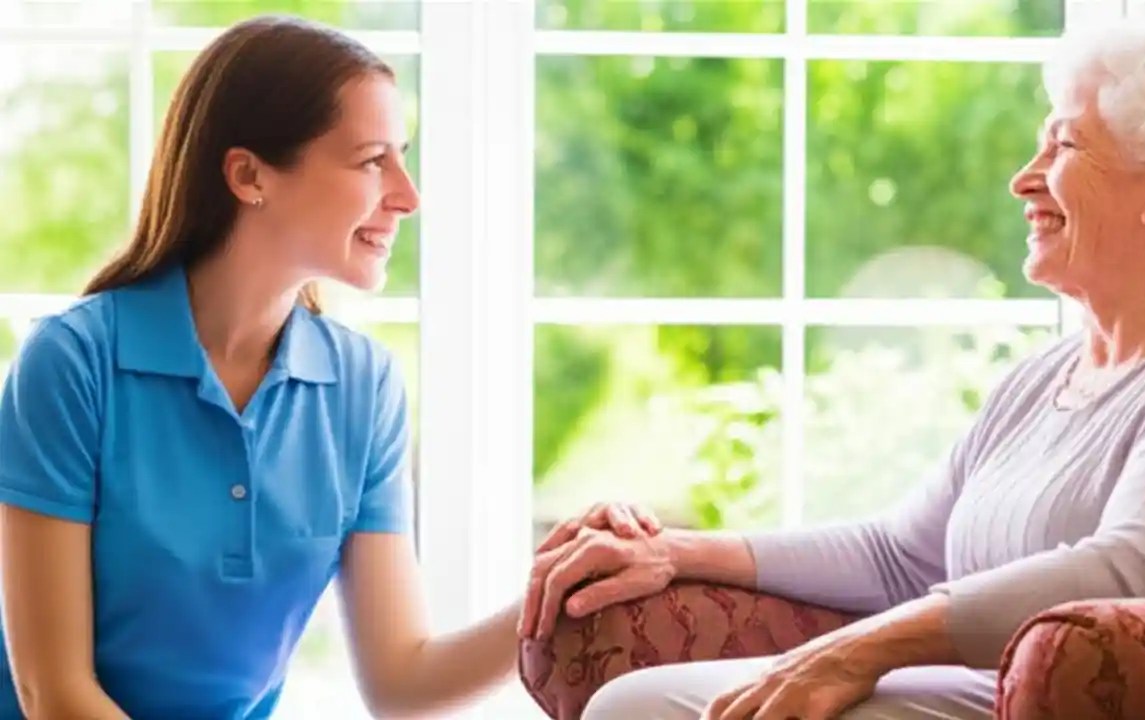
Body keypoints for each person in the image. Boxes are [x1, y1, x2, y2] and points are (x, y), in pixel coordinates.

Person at [520, 19, 1145, 720]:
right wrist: (675, 552)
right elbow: (898, 553)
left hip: (1038, 700)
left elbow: (1130, 575)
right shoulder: (1043, 377)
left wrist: (864, 647)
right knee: (634, 702)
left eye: (1064, 147)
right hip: (960, 683)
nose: (1024, 178)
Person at [0, 15, 662, 720]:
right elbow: (55, 694)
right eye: (372, 159)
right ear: (249, 175)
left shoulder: (362, 388)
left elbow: (402, 682)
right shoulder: (74, 363)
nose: (408, 195)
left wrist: (555, 591)